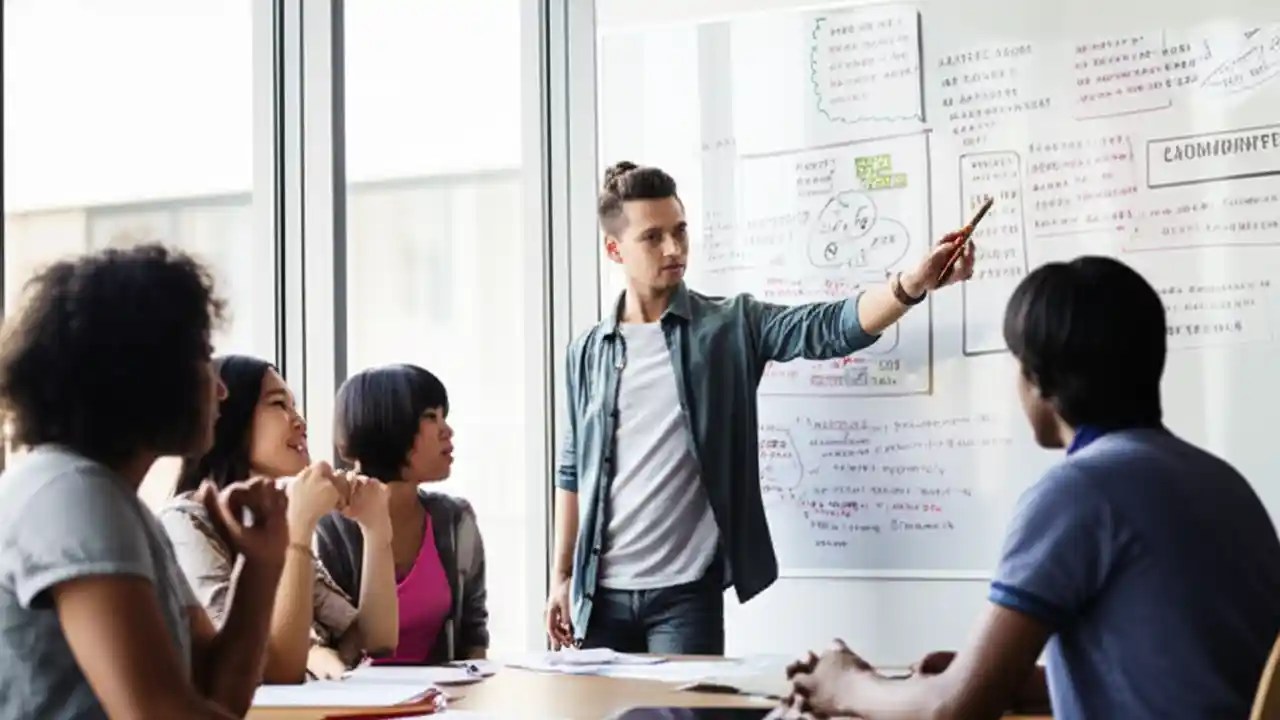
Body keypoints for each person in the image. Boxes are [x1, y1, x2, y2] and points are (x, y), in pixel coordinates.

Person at [779, 256, 1280, 719]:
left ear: (1039, 381)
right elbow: (1195, 678)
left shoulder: (1081, 490)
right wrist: (1007, 676)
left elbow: (954, 710)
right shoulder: (1220, 481)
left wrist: (845, 685)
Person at [545, 161, 977, 654]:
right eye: (653, 237)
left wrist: (910, 285)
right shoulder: (587, 351)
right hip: (598, 599)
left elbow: (825, 327)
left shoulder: (730, 325)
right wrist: (561, 577)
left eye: (680, 231)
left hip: (685, 598)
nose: (674, 248)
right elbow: (573, 468)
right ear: (614, 248)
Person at [0, 244, 288, 719]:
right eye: (202, 359)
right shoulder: (70, 495)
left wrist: (261, 565)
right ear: (142, 370)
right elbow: (161, 714)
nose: (221, 389)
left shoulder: (116, 504)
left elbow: (217, 696)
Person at [159, 355, 399, 682]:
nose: (299, 421)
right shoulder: (185, 523)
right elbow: (257, 665)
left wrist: (375, 529)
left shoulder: (270, 520)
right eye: (278, 405)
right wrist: (299, 528)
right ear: (228, 417)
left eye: (294, 405)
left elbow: (374, 639)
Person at [316, 363, 489, 663]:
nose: (447, 430)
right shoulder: (327, 529)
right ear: (389, 426)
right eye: (431, 417)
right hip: (351, 701)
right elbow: (326, 647)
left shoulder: (456, 520)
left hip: (438, 705)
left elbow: (474, 636)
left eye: (443, 416)